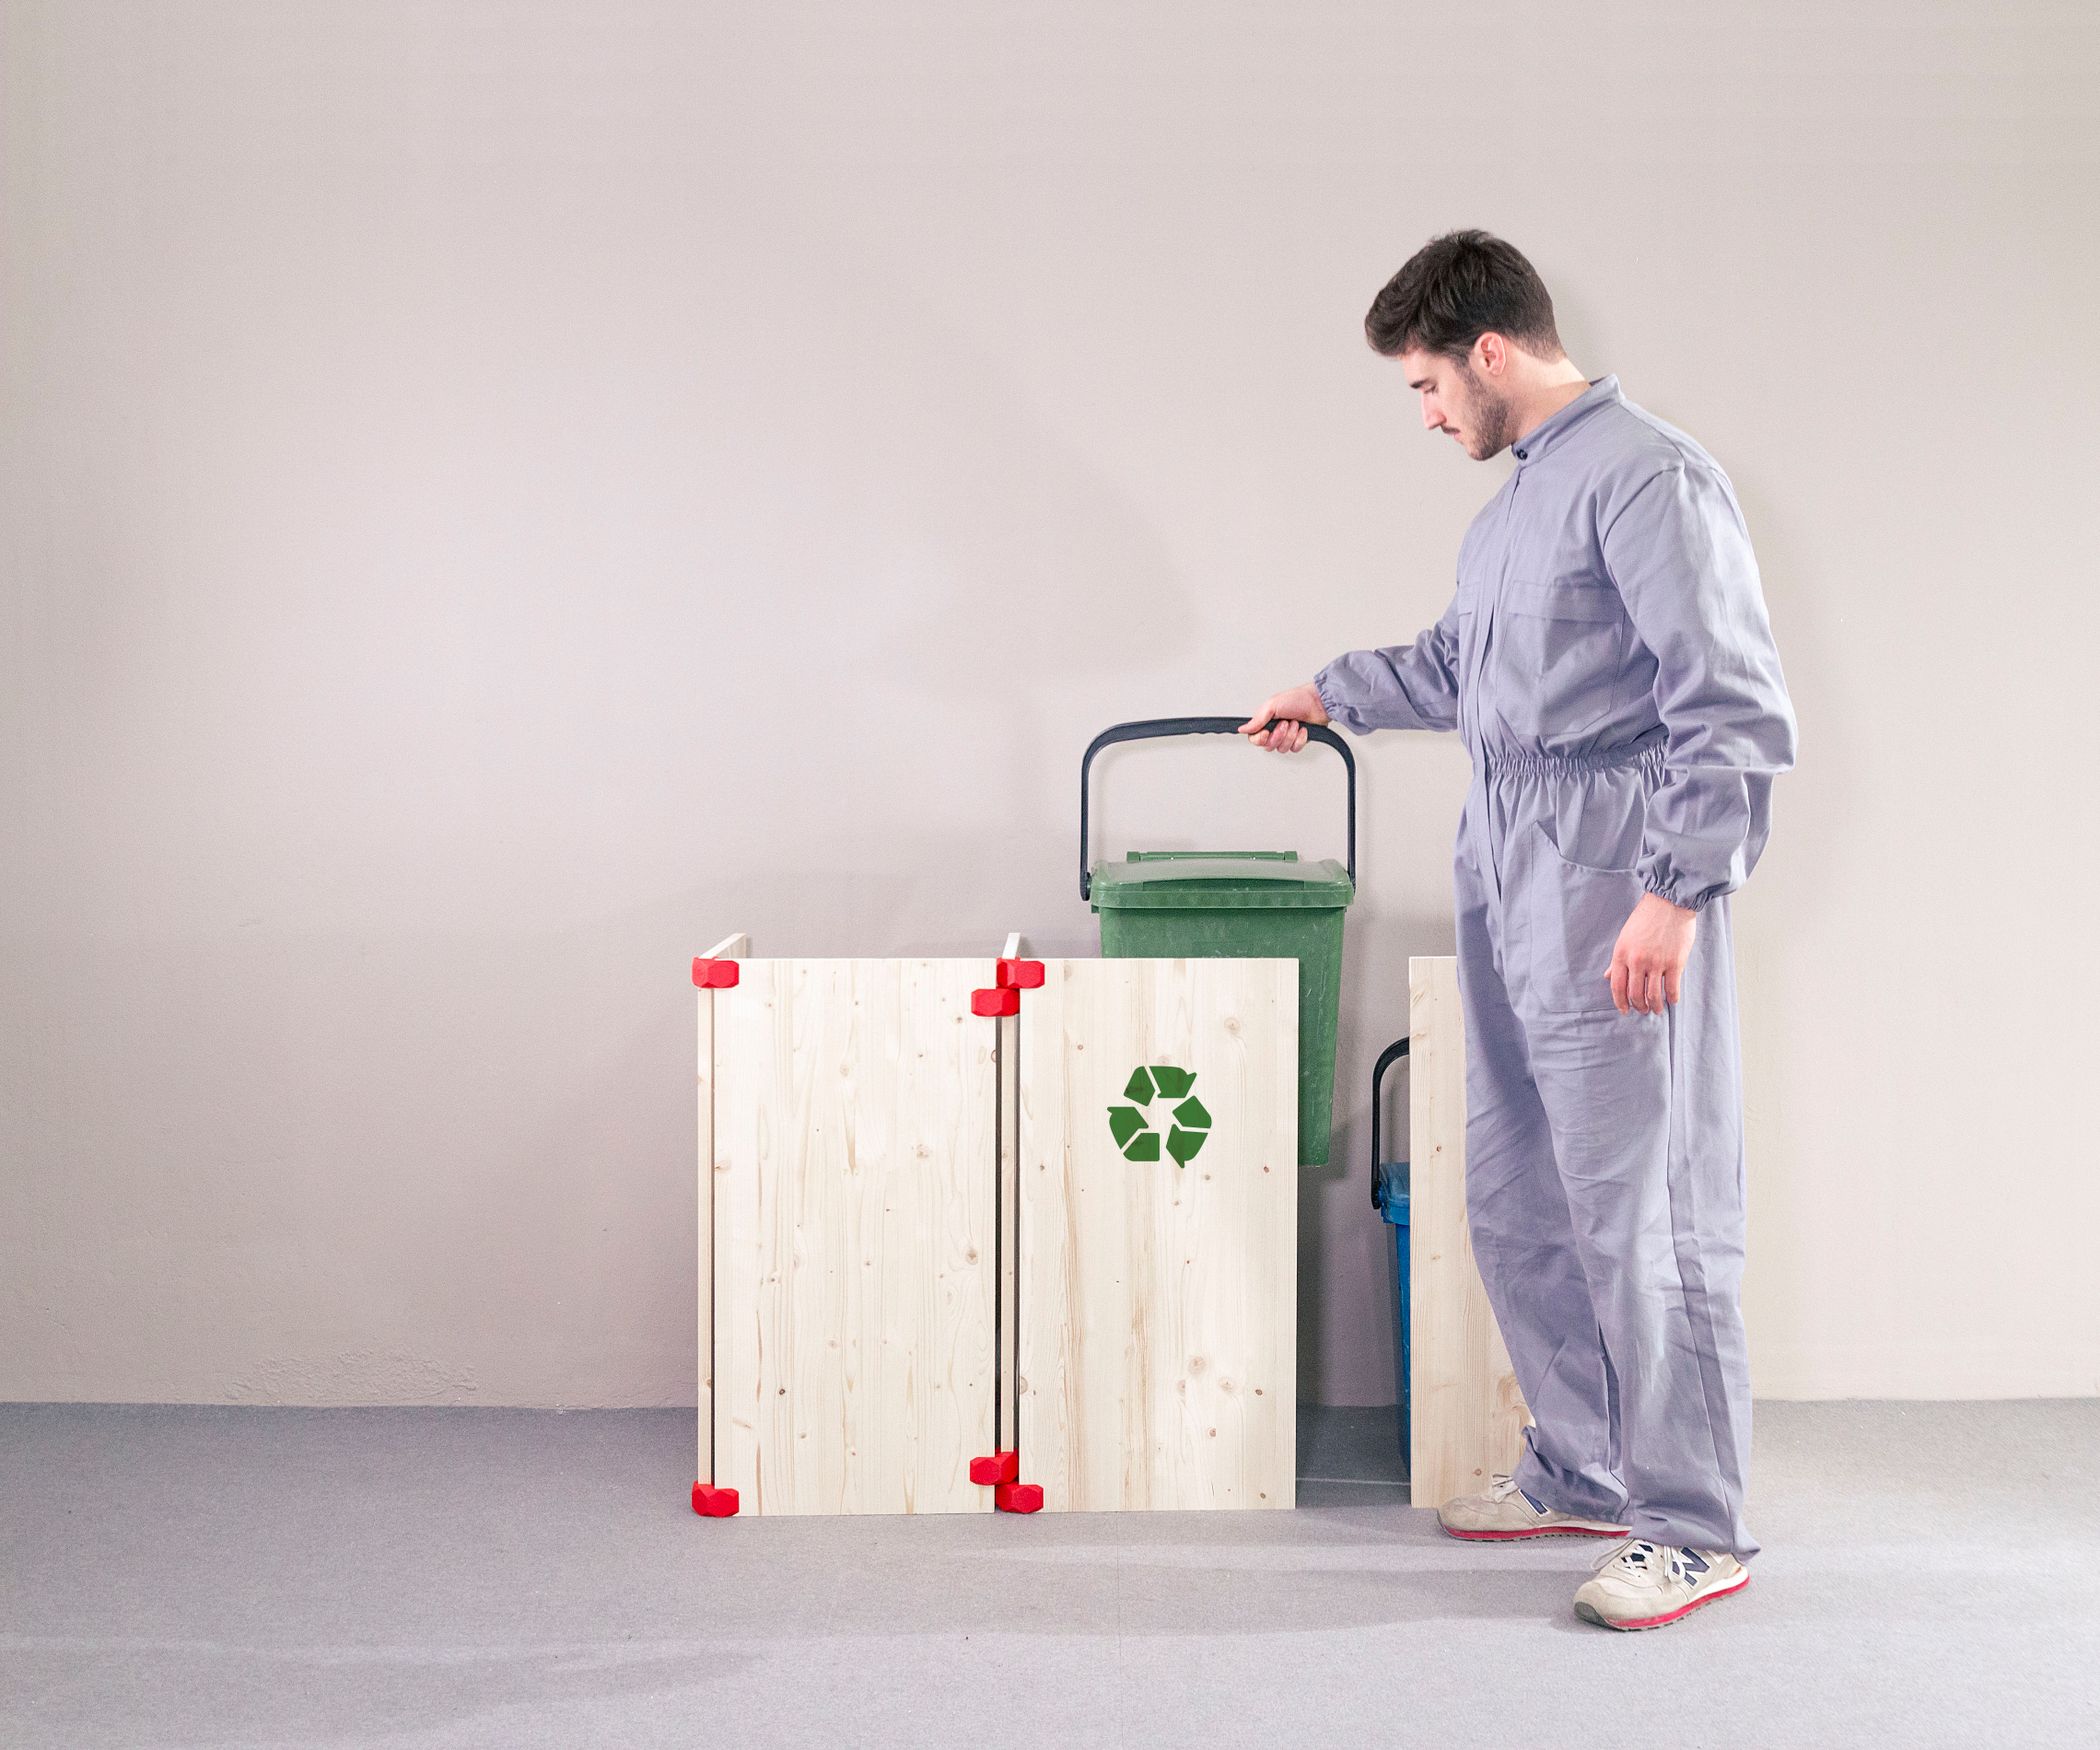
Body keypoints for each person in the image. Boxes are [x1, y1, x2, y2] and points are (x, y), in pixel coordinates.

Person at [1241, 230, 1797, 1632]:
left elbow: (1730, 701)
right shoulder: (1513, 510)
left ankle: (1695, 1525)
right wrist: (1331, 691)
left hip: (1617, 873)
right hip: (1507, 862)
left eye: (1428, 385)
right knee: (1518, 1192)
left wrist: (1677, 888)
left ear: (1489, 351)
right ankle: (1586, 1464)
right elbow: (1460, 666)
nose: (1427, 415)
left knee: (1647, 1212)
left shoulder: (1651, 478)